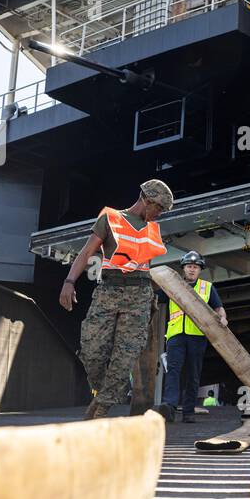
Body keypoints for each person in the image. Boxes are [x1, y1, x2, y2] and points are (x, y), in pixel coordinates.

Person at [60, 179, 173, 419]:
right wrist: (69, 282)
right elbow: (87, 252)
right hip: (108, 291)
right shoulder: (111, 219)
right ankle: (104, 395)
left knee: (125, 356)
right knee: (92, 351)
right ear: (146, 200)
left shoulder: (153, 228)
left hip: (140, 295)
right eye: (159, 209)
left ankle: (101, 408)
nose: (159, 215)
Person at [160, 250, 227, 423]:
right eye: (189, 266)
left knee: (193, 374)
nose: (191, 270)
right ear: (183, 268)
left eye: (195, 267)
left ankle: (188, 411)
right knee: (173, 371)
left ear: (200, 270)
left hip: (197, 336)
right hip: (175, 334)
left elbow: (218, 307)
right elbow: (156, 299)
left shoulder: (207, 287)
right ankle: (169, 406)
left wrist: (223, 318)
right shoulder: (172, 285)